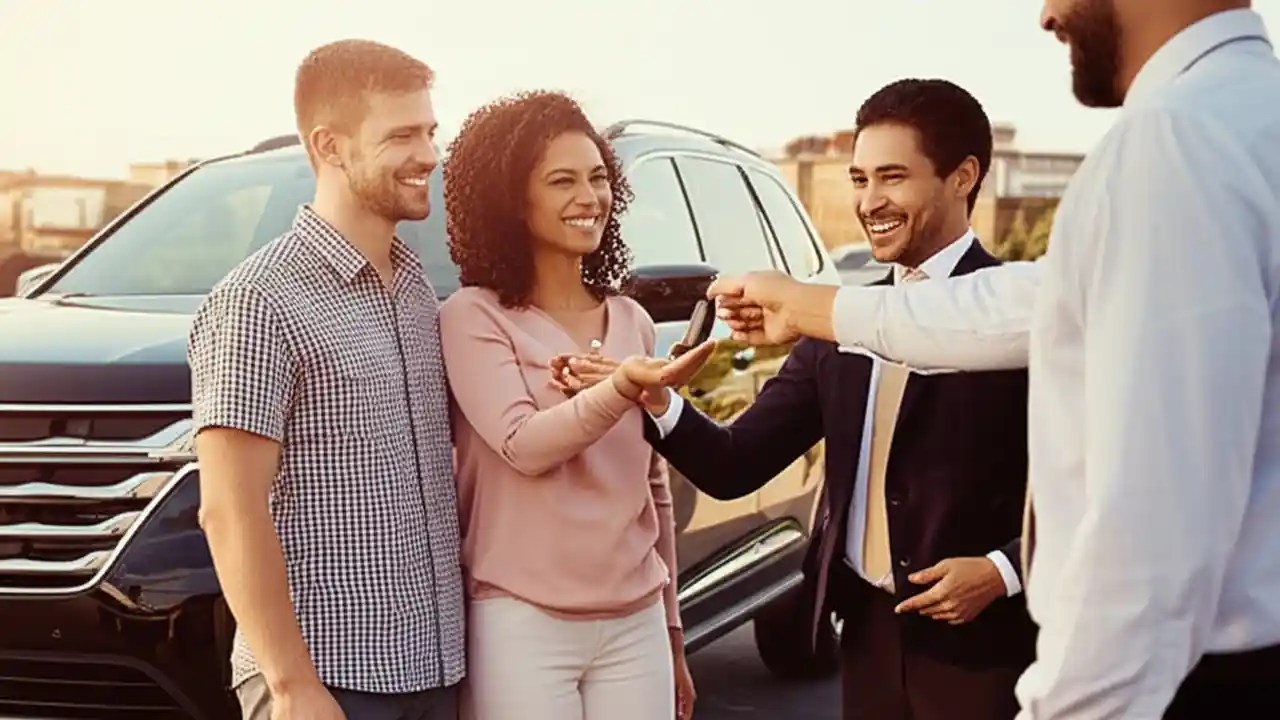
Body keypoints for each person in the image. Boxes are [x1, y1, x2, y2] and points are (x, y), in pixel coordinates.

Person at [706, 2, 1280, 717]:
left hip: (1194, 674)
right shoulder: (1247, 118)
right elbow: (1016, 307)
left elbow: (1151, 541)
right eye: (858, 179)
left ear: (963, 177)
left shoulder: (1175, 138)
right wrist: (808, 308)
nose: (1046, 14)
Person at [562, 79, 1038, 720]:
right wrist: (656, 401)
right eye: (860, 179)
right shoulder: (835, 320)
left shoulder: (1022, 319)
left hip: (988, 651)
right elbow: (737, 463)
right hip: (867, 639)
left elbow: (1096, 490)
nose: (871, 202)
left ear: (963, 176)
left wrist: (1003, 570)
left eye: (892, 177)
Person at [188, 40, 464, 720]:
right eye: (402, 134)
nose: (429, 154)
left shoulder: (415, 289)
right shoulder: (258, 300)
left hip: (434, 668)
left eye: (430, 131)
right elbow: (229, 509)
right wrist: (292, 687)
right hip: (328, 681)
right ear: (330, 145)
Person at [436, 89, 709, 720]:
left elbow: (652, 486)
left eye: (597, 177)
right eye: (563, 181)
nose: (589, 197)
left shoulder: (632, 321)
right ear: (512, 200)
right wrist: (620, 389)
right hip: (520, 621)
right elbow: (524, 445)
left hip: (636, 619)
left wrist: (672, 636)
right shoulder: (473, 318)